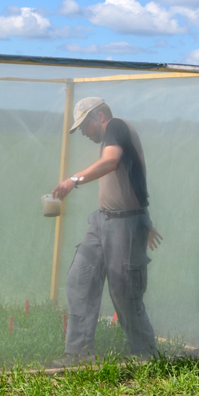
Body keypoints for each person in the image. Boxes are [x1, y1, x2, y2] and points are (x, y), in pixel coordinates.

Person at [50, 97, 162, 367]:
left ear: (99, 116)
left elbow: (111, 162)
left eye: (85, 126)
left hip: (124, 224)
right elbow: (133, 178)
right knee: (80, 281)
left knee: (124, 292)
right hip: (102, 221)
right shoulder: (112, 135)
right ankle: (79, 353)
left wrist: (73, 180)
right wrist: (145, 218)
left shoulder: (116, 126)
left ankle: (146, 353)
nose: (84, 133)